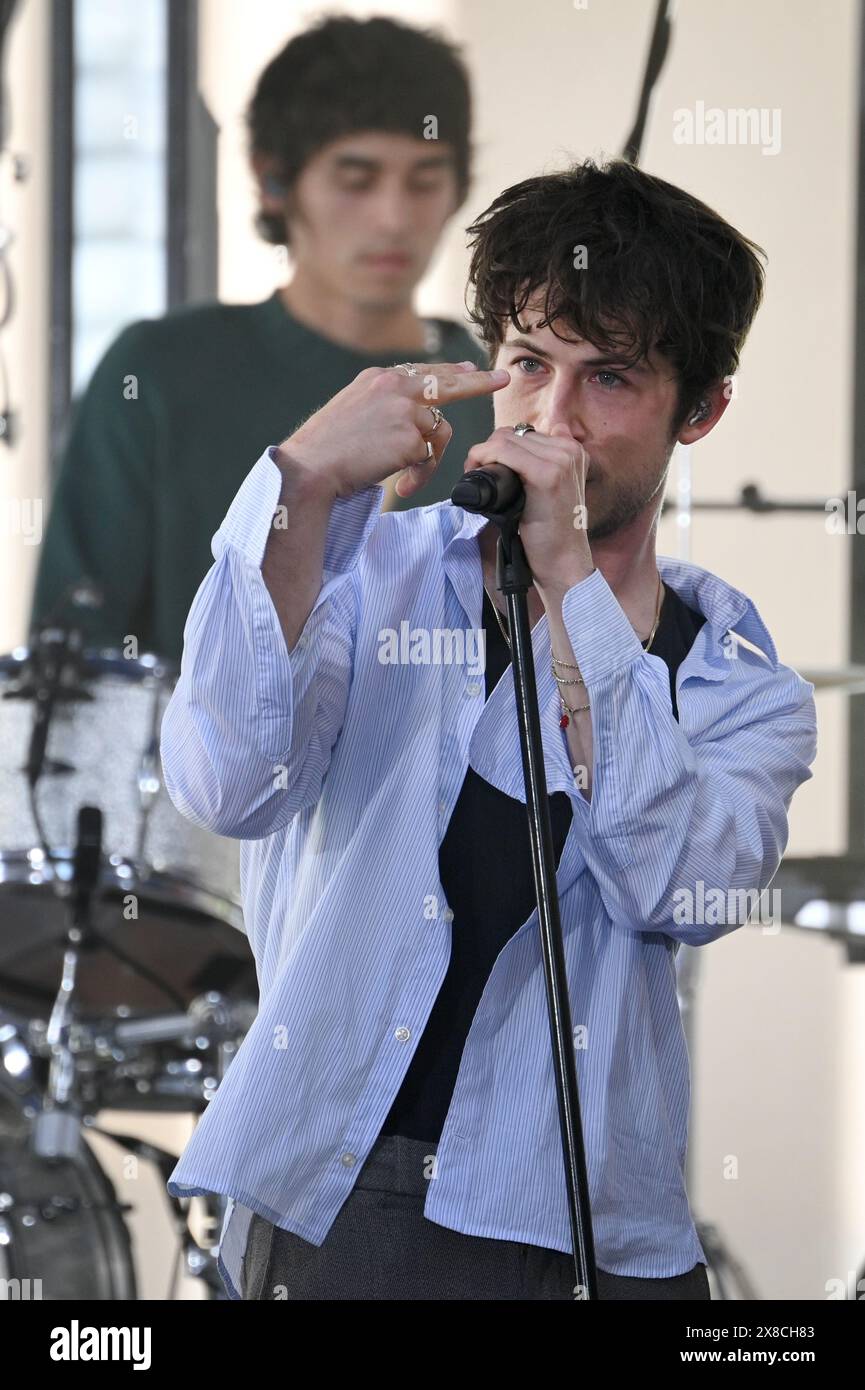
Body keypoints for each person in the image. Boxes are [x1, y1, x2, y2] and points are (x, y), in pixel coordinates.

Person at [159, 157, 817, 1301]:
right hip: (337, 1191)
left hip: (587, 1222)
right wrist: (301, 482)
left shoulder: (734, 680)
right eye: (526, 364)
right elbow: (225, 782)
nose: (550, 419)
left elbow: (680, 886)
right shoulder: (373, 582)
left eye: (608, 378)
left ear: (699, 410)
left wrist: (573, 588)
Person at [30, 14, 490, 663]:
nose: (393, 217)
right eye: (355, 180)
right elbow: (71, 677)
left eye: (423, 179)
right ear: (275, 182)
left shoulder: (499, 388)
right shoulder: (156, 375)